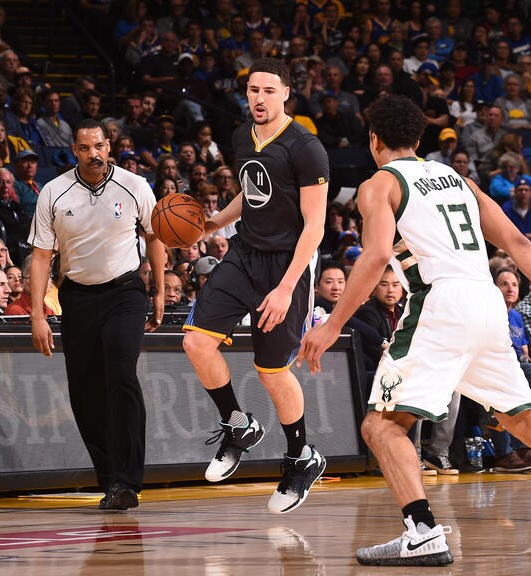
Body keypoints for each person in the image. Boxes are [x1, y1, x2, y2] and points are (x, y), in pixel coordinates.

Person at [298, 94, 531, 566]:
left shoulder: (379, 183)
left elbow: (377, 256)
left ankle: (422, 531)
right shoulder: (460, 180)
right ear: (420, 140)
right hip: (485, 301)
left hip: (440, 302)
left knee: (381, 425)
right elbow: (519, 242)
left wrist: (331, 324)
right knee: (524, 420)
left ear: (373, 139)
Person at [182, 58, 329, 515]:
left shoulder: (307, 148)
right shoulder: (241, 136)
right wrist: (212, 224)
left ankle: (301, 457)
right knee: (195, 343)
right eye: (252, 90)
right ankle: (237, 425)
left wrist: (286, 289)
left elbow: (315, 226)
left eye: (268, 90)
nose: (259, 98)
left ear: (286, 94)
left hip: (288, 263)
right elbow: (251, 192)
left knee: (271, 372)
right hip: (244, 253)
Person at [28, 119, 166, 512]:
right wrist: (38, 315)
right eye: (86, 147)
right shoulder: (53, 192)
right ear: (74, 150)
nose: (94, 153)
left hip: (125, 292)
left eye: (100, 146)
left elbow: (154, 238)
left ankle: (128, 480)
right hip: (76, 298)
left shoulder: (135, 185)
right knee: (85, 393)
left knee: (121, 375)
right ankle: (110, 480)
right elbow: (41, 257)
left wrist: (158, 289)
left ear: (110, 146)